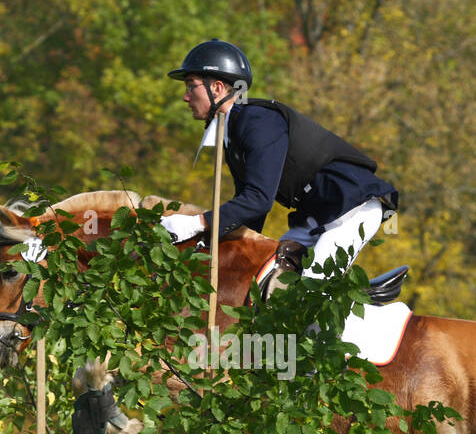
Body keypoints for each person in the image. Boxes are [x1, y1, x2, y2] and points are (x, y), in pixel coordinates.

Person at [159, 39, 398, 292]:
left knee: (310, 290)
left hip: (350, 207)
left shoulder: (257, 121)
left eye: (190, 86)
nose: (186, 97)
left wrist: (196, 224)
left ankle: (363, 312)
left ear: (217, 87)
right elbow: (251, 210)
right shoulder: (231, 134)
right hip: (315, 215)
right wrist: (212, 245)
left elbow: (259, 199)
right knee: (270, 275)